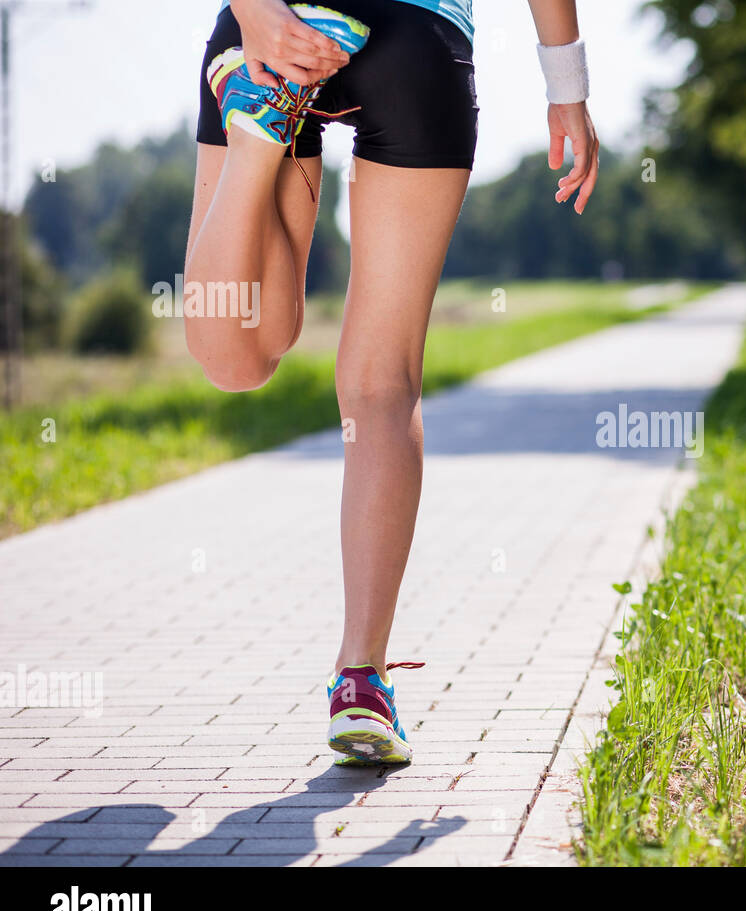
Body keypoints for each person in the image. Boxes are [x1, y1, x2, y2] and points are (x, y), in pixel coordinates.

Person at [185, 0, 599, 765]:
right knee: (379, 385)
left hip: (273, 22)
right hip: (418, 32)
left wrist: (253, 13)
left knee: (237, 355)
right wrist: (565, 85)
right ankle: (361, 680)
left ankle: (258, 133)